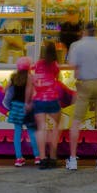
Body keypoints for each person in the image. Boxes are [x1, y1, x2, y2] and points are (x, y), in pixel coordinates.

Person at [65, 22, 97, 171]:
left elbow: (72, 67)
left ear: (84, 32)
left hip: (84, 85)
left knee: (76, 122)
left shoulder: (77, 46)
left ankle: (73, 159)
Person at [25, 41, 62, 169]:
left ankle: (42, 159)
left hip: (39, 100)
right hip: (52, 100)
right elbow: (57, 77)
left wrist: (27, 102)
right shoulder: (55, 65)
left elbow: (32, 82)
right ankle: (52, 157)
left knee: (41, 128)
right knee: (56, 127)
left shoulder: (37, 64)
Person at [4, 56, 40, 166]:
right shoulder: (30, 77)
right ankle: (37, 157)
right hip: (27, 107)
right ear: (29, 67)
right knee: (32, 132)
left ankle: (19, 158)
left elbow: (5, 89)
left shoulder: (14, 77)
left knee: (17, 133)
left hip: (15, 107)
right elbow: (32, 92)